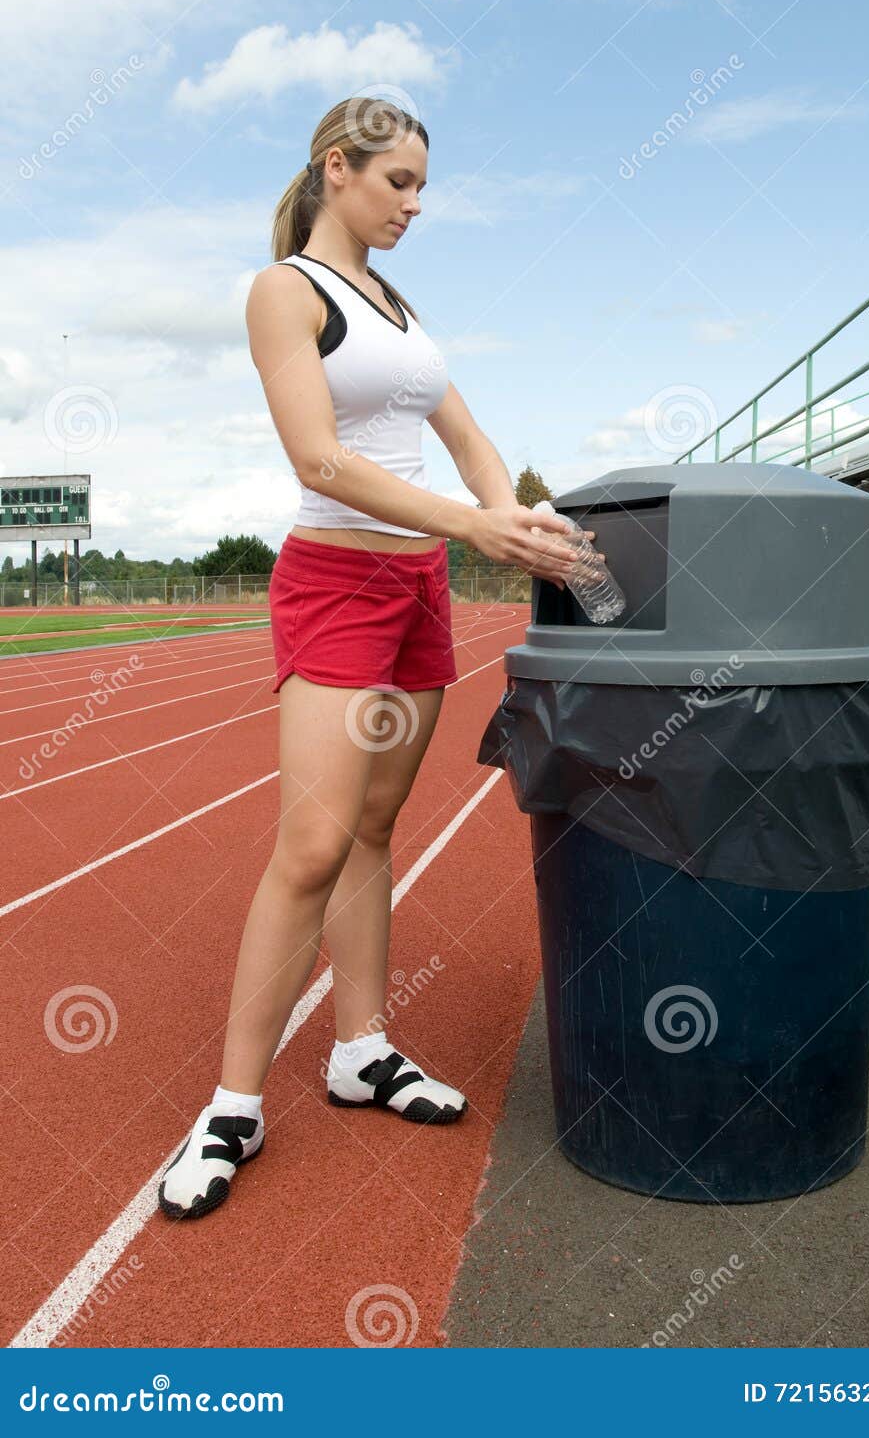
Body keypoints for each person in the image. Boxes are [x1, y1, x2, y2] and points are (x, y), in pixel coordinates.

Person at [158, 97, 597, 1219]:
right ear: (335, 168)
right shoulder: (285, 291)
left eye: (421, 186)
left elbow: (470, 439)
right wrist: (476, 524)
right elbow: (319, 458)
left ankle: (360, 1048)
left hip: (417, 593)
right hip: (338, 585)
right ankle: (233, 1105)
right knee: (311, 843)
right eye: (398, 181)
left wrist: (518, 517)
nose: (414, 204)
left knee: (371, 828)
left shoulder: (400, 310)